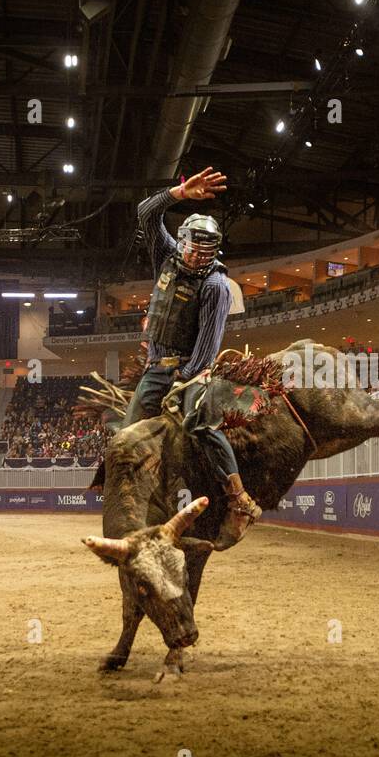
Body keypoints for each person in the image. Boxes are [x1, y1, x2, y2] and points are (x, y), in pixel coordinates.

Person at [110, 166, 260, 541]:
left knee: (200, 424)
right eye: (193, 246)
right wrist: (179, 194)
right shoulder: (165, 255)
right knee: (126, 435)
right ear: (182, 241)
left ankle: (239, 498)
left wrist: (184, 380)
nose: (197, 256)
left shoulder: (216, 286)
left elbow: (208, 346)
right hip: (154, 368)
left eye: (205, 251)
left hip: (192, 371)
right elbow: (146, 212)